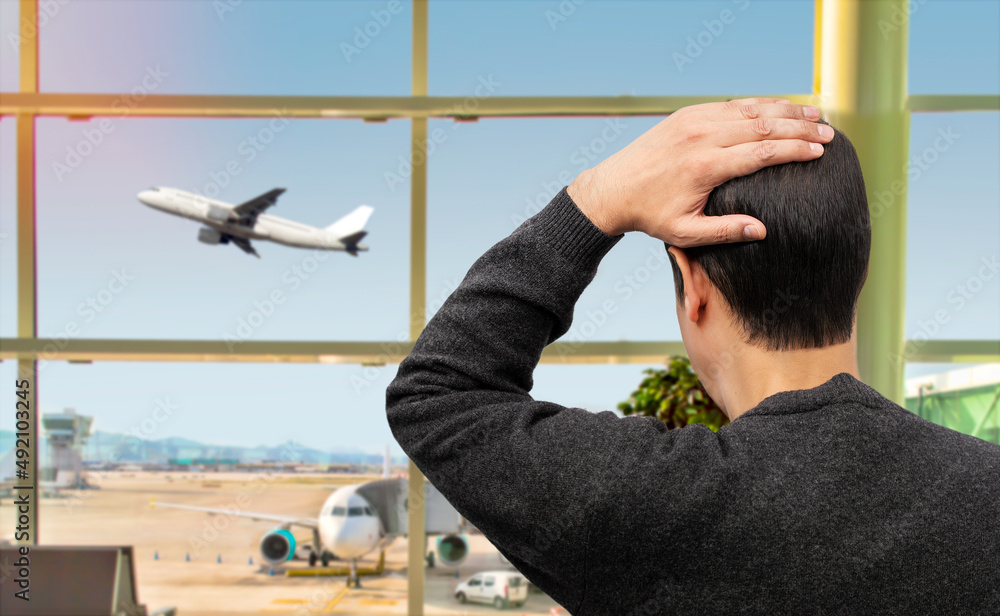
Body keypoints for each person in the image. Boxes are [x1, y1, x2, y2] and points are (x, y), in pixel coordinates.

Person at [385, 99, 1000, 615]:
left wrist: (596, 198)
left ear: (692, 284)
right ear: (857, 273)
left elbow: (437, 394)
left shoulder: (648, 506)